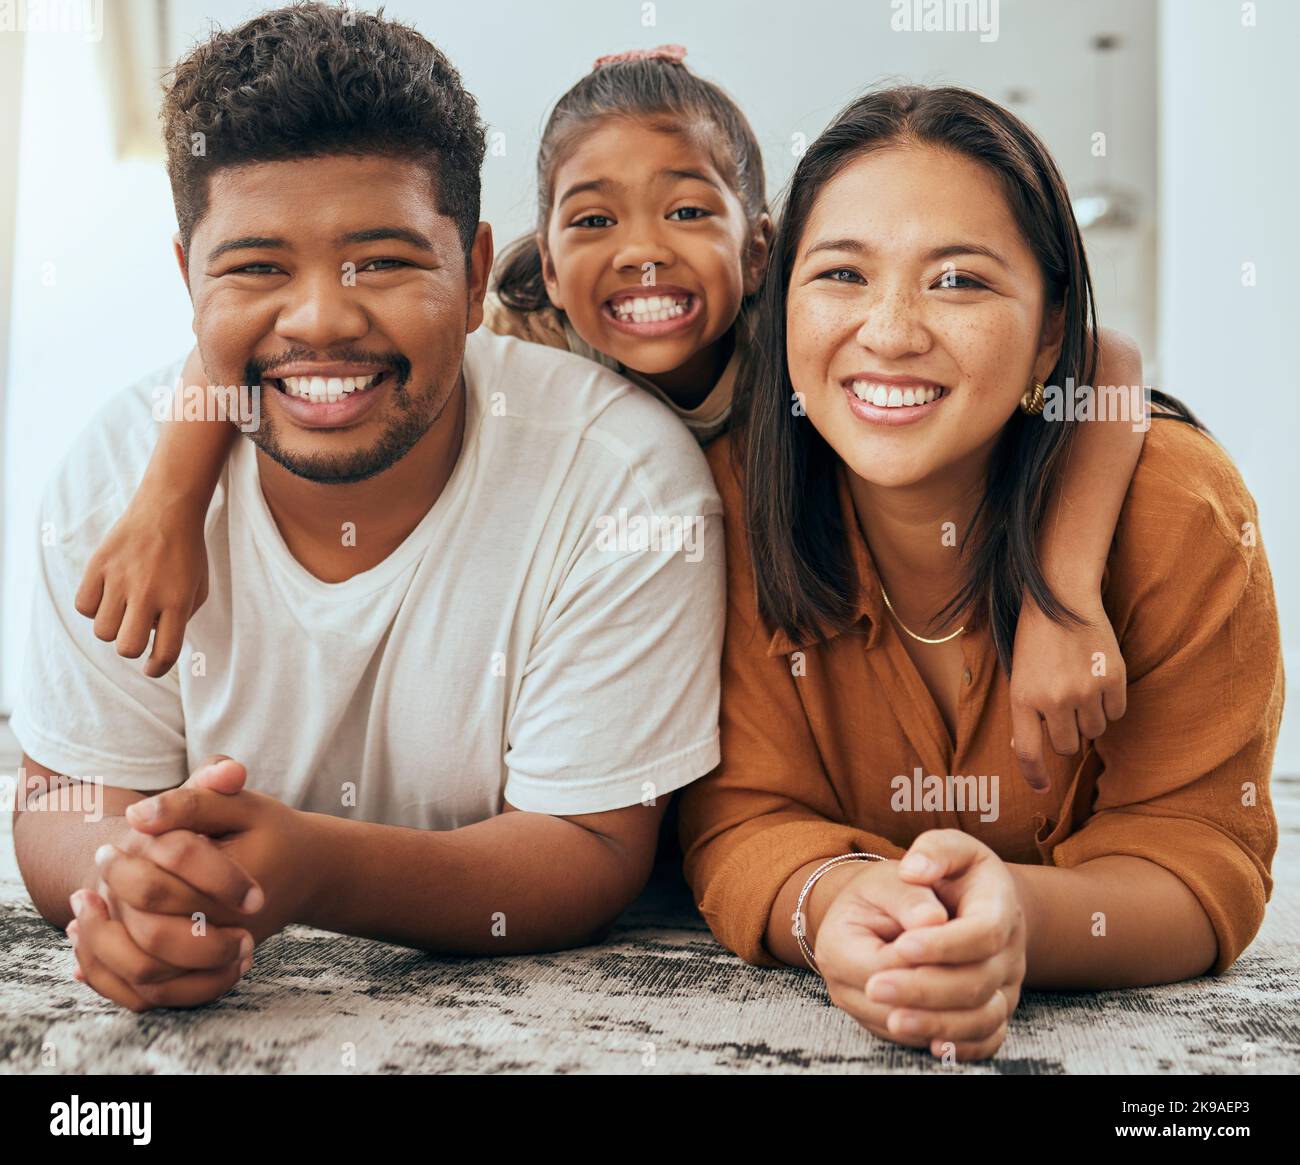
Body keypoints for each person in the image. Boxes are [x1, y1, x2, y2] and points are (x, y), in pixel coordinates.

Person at [84, 44, 1148, 790]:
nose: (641, 250)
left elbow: (1104, 358)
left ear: (759, 249)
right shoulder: (511, 334)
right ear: (544, 260)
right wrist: (170, 503)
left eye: (687, 211)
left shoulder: (802, 329)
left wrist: (1061, 597)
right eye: (594, 219)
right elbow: (277, 349)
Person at [10, 2, 724, 1012]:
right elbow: (62, 795)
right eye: (256, 267)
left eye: (383, 262)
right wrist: (137, 890)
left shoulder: (624, 482)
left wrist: (309, 868)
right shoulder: (114, 484)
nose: (320, 319)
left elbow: (589, 848)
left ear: (475, 274)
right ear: (187, 279)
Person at [679, 84, 1282, 1061]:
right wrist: (830, 903)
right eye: (840, 273)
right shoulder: (726, 502)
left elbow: (1198, 858)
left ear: (1051, 333)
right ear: (778, 302)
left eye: (957, 281)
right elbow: (741, 818)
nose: (891, 329)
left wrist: (1023, 919)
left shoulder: (1181, 515)